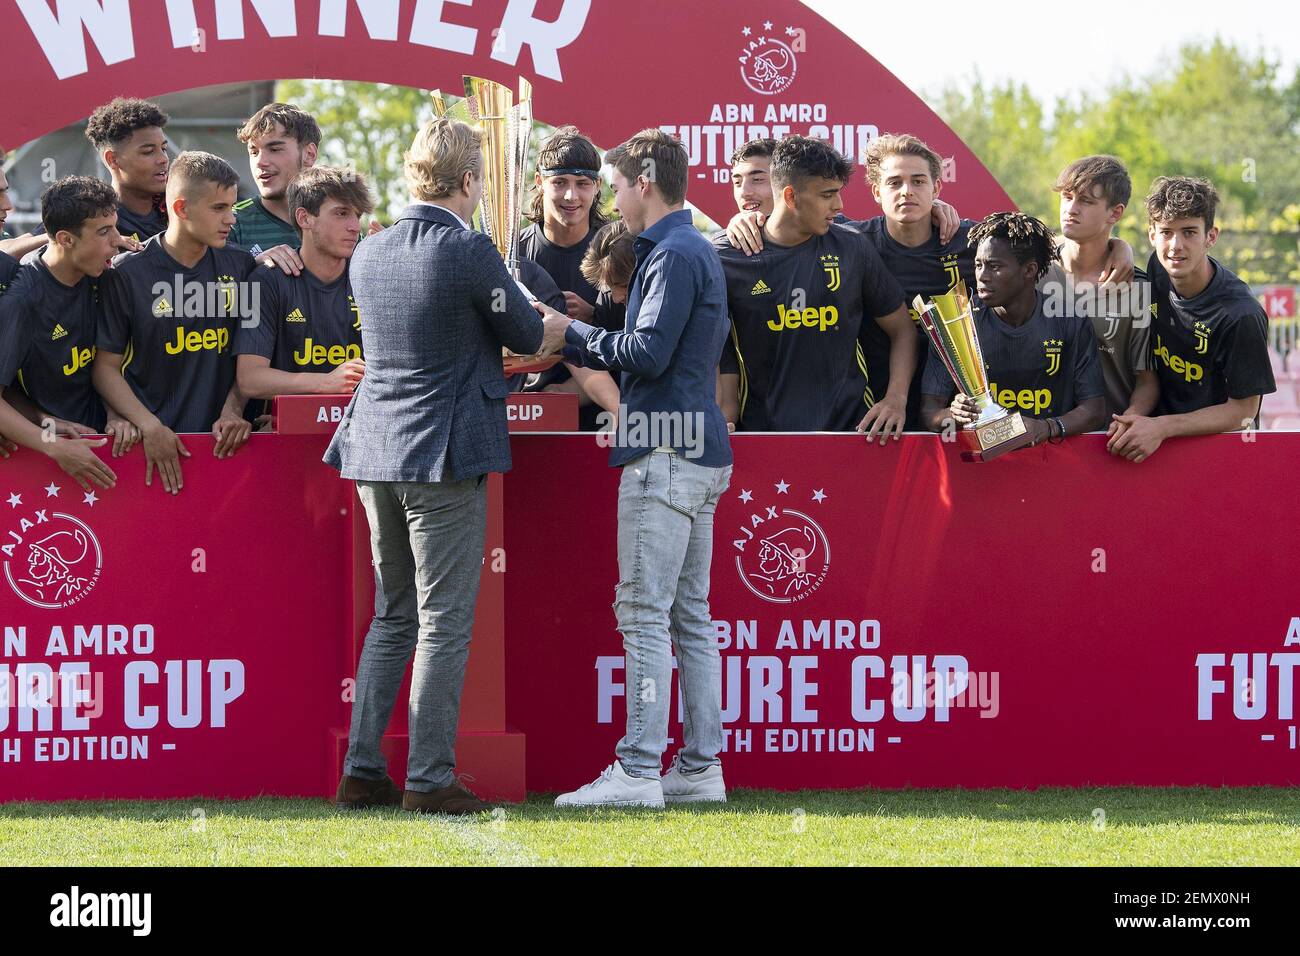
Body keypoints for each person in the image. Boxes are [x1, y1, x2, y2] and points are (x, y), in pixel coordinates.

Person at [325, 118, 567, 815]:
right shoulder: (469, 250)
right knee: (443, 621)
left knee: (394, 616)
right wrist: (550, 318)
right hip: (443, 453)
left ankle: (364, 770)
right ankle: (430, 778)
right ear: (467, 182)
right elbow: (525, 335)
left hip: (373, 450)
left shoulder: (369, 251)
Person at [543, 128, 734, 809]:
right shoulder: (685, 248)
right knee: (688, 617)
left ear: (643, 182)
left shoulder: (675, 252)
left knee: (647, 615)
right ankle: (698, 767)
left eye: (616, 185)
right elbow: (673, 364)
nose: (612, 198)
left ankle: (638, 769)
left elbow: (646, 354)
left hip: (669, 461)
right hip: (692, 450)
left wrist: (573, 333)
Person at [715, 135, 914, 437]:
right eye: (827, 195)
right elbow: (716, 349)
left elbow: (903, 329)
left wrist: (896, 398)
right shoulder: (724, 258)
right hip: (763, 438)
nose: (839, 204)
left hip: (852, 435)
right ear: (792, 196)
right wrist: (722, 413)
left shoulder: (853, 247)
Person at [94, 151, 255, 495]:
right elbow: (104, 368)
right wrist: (149, 426)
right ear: (181, 209)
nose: (231, 219)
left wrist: (233, 409)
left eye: (232, 206)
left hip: (225, 449)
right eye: (219, 208)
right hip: (148, 450)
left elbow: (253, 357)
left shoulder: (243, 268)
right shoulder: (126, 274)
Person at [1108, 176, 1275, 462]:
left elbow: (1244, 411)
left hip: (1221, 455)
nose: (1175, 246)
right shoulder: (1157, 271)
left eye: (1189, 232)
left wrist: (1162, 427)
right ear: (1152, 235)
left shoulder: (1241, 314)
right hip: (1156, 448)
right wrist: (1133, 418)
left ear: (1211, 236)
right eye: (1166, 232)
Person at [921, 213, 1105, 442]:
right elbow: (930, 414)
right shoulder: (957, 323)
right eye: (978, 265)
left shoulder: (1069, 320)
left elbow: (1095, 409)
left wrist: (1047, 428)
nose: (982, 277)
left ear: (1029, 270)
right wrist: (955, 415)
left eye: (994, 267)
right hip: (980, 467)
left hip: (1052, 463)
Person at [0, 177, 123, 490]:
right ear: (66, 239)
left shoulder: (104, 277)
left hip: (108, 447)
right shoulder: (23, 299)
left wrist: (117, 413)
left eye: (115, 227)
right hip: (51, 468)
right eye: (104, 231)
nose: (117, 240)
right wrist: (51, 443)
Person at [236, 166, 374, 405]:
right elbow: (250, 379)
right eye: (341, 213)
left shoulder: (370, 278)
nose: (354, 226)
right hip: (290, 436)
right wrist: (325, 383)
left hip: (357, 431)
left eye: (357, 215)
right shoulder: (266, 281)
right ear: (304, 218)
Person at [517, 126, 618, 426]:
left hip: (604, 417)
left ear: (598, 185)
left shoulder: (618, 248)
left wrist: (596, 316)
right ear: (539, 182)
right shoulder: (512, 251)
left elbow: (640, 340)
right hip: (525, 409)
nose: (571, 195)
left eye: (582, 183)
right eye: (559, 182)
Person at [1047, 155, 1158, 421]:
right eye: (1067, 196)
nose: (1071, 209)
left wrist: (1130, 419)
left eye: (1086, 201)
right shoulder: (1034, 271)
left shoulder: (1137, 288)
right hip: (1041, 438)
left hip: (1108, 443)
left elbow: (1148, 381)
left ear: (1115, 213)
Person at [229, 103, 320, 263]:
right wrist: (254, 269)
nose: (260, 162)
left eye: (275, 149)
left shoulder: (339, 218)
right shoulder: (231, 222)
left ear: (309, 154)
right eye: (254, 152)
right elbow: (215, 286)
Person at [84, 97, 171, 242]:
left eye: (164, 148)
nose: (164, 159)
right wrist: (79, 235)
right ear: (113, 159)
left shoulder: (178, 206)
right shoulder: (92, 215)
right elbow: (32, 243)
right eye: (148, 151)